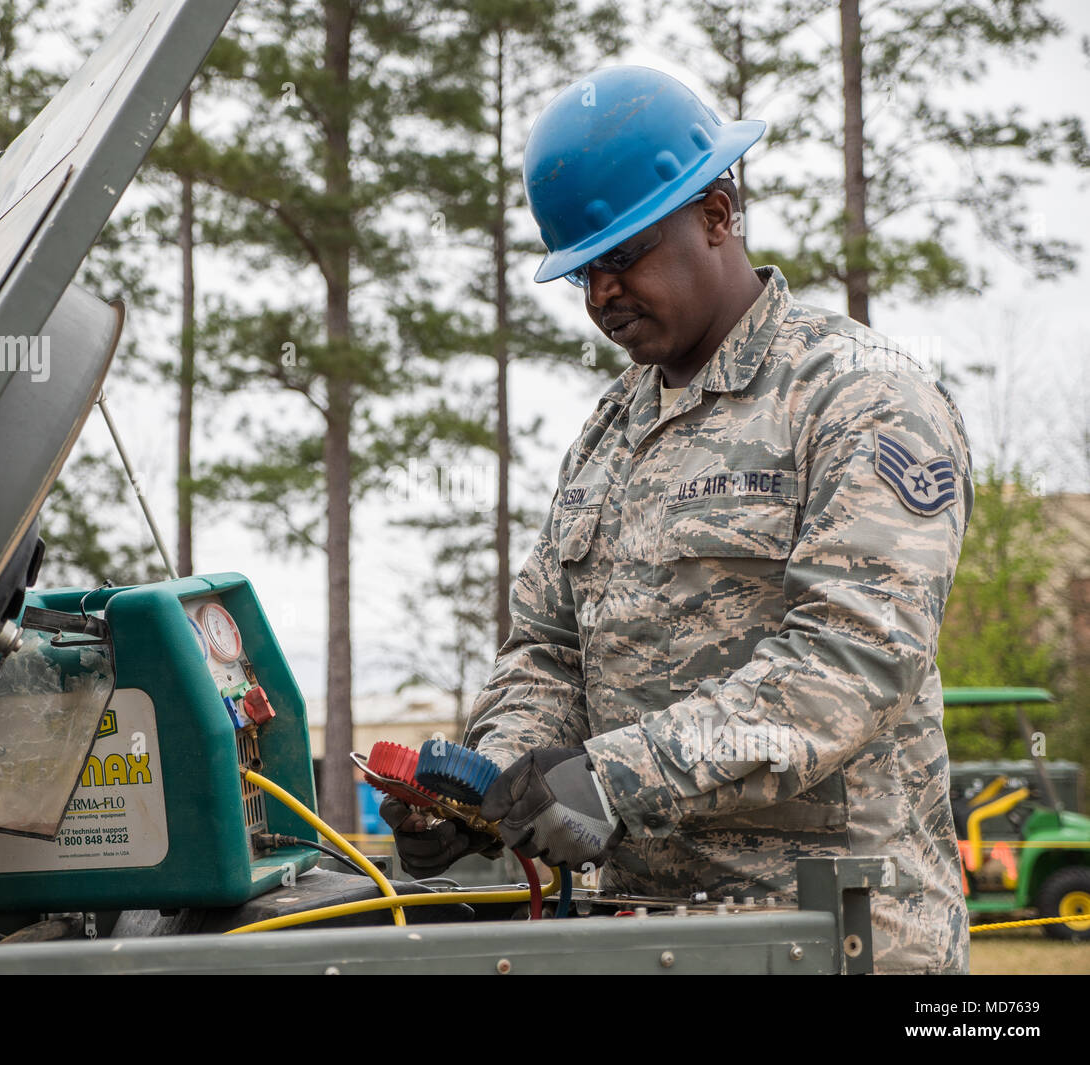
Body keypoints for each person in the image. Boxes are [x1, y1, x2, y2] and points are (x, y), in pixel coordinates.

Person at [380, 65, 974, 974]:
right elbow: (546, 654)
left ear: (717, 214)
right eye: (585, 270)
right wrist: (488, 794)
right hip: (640, 941)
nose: (602, 295)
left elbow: (850, 660)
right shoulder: (610, 435)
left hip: (834, 937)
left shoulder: (860, 396)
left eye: (626, 255)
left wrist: (612, 777)